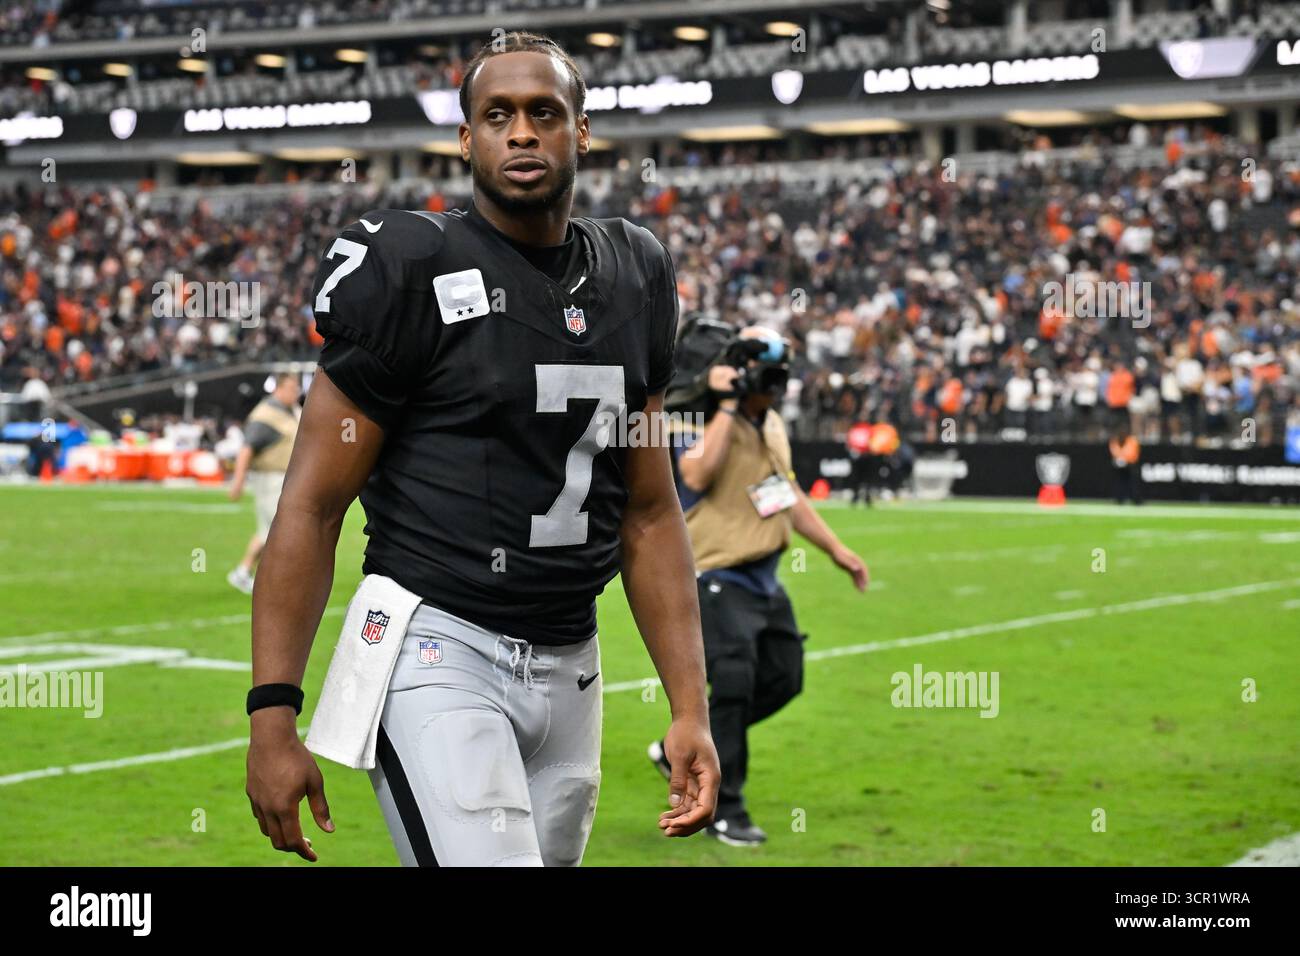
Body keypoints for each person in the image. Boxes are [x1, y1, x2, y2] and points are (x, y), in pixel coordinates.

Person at [244, 31, 719, 867]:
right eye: (498, 116)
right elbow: (312, 506)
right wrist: (272, 713)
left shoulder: (636, 270)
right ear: (467, 139)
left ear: (581, 130)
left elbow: (649, 512)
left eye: (545, 113)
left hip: (574, 661)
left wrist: (690, 708)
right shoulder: (409, 265)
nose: (522, 132)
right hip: (437, 645)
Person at [654, 325, 868, 845]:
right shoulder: (695, 415)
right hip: (717, 574)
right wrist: (728, 405)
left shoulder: (769, 422)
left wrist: (836, 549)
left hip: (764, 579)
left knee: (784, 676)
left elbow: (783, 493)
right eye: (764, 373)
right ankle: (725, 810)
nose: (773, 385)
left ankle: (678, 748)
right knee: (733, 690)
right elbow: (696, 474)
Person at [227, 373, 301, 594]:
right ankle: (274, 579)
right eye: (291, 388)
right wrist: (238, 481)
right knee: (278, 530)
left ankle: (243, 571)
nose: (295, 392)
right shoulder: (266, 415)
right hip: (270, 479)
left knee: (269, 530)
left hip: (285, 478)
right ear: (278, 388)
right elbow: (246, 449)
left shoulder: (290, 411)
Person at [1109, 428, 1142, 504]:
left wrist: (1125, 461)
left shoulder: (1133, 441)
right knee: (1119, 482)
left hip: (1131, 466)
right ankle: (1119, 499)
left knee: (1133, 482)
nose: (1122, 435)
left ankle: (1136, 499)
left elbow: (1133, 455)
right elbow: (1114, 453)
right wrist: (1118, 461)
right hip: (1119, 467)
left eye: (1123, 434)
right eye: (1120, 434)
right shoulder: (1114, 441)